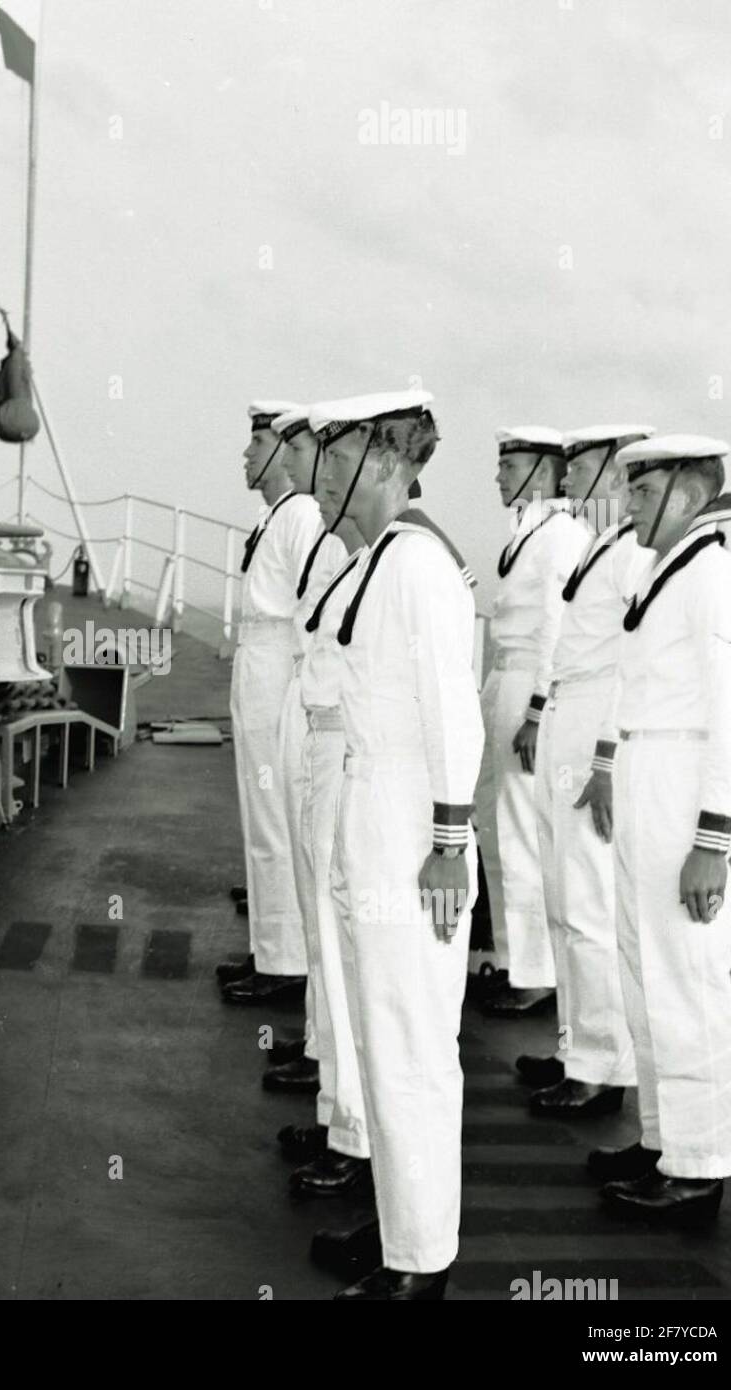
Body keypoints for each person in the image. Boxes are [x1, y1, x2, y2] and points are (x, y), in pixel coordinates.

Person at [306, 391, 483, 1300]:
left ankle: (422, 1264)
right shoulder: (375, 558)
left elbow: (453, 705)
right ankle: (398, 1224)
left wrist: (450, 841)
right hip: (371, 813)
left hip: (413, 826)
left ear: (380, 459)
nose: (323, 474)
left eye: (335, 460)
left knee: (412, 1041)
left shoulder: (416, 566)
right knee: (380, 1033)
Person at [584, 435, 731, 1223]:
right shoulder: (665, 569)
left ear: (687, 495)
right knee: (641, 972)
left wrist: (713, 842)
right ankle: (662, 1140)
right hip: (645, 777)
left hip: (687, 789)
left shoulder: (719, 580)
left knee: (686, 980)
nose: (628, 504)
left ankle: (698, 1168)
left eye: (642, 488)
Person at [520, 424, 654, 1114]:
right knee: (562, 897)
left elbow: (632, 663)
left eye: (578, 464)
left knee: (590, 904)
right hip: (565, 717)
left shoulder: (633, 551)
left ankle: (605, 1067)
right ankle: (576, 1047)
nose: (565, 475)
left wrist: (606, 757)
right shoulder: (603, 540)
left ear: (611, 469)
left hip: (593, 719)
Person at [269, 402, 376, 1199]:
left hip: (354, 759)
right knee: (324, 939)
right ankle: (337, 1107)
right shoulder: (340, 544)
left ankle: (357, 1131)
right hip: (319, 741)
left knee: (349, 955)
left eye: (326, 456)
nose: (318, 471)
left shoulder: (395, 556)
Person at [474, 427, 587, 1019]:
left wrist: (538, 711)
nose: (498, 475)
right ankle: (515, 960)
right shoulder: (529, 529)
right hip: (505, 675)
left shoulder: (561, 533)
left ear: (544, 472)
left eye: (510, 464)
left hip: (527, 688)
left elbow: (556, 623)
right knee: (496, 822)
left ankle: (537, 974)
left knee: (519, 831)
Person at [217, 401, 322, 1007]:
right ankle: (269, 947)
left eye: (258, 445)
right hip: (257, 657)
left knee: (277, 817)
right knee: (262, 816)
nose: (248, 456)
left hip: (279, 664)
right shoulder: (277, 516)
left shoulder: (301, 515)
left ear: (284, 452)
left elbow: (308, 608)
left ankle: (286, 963)